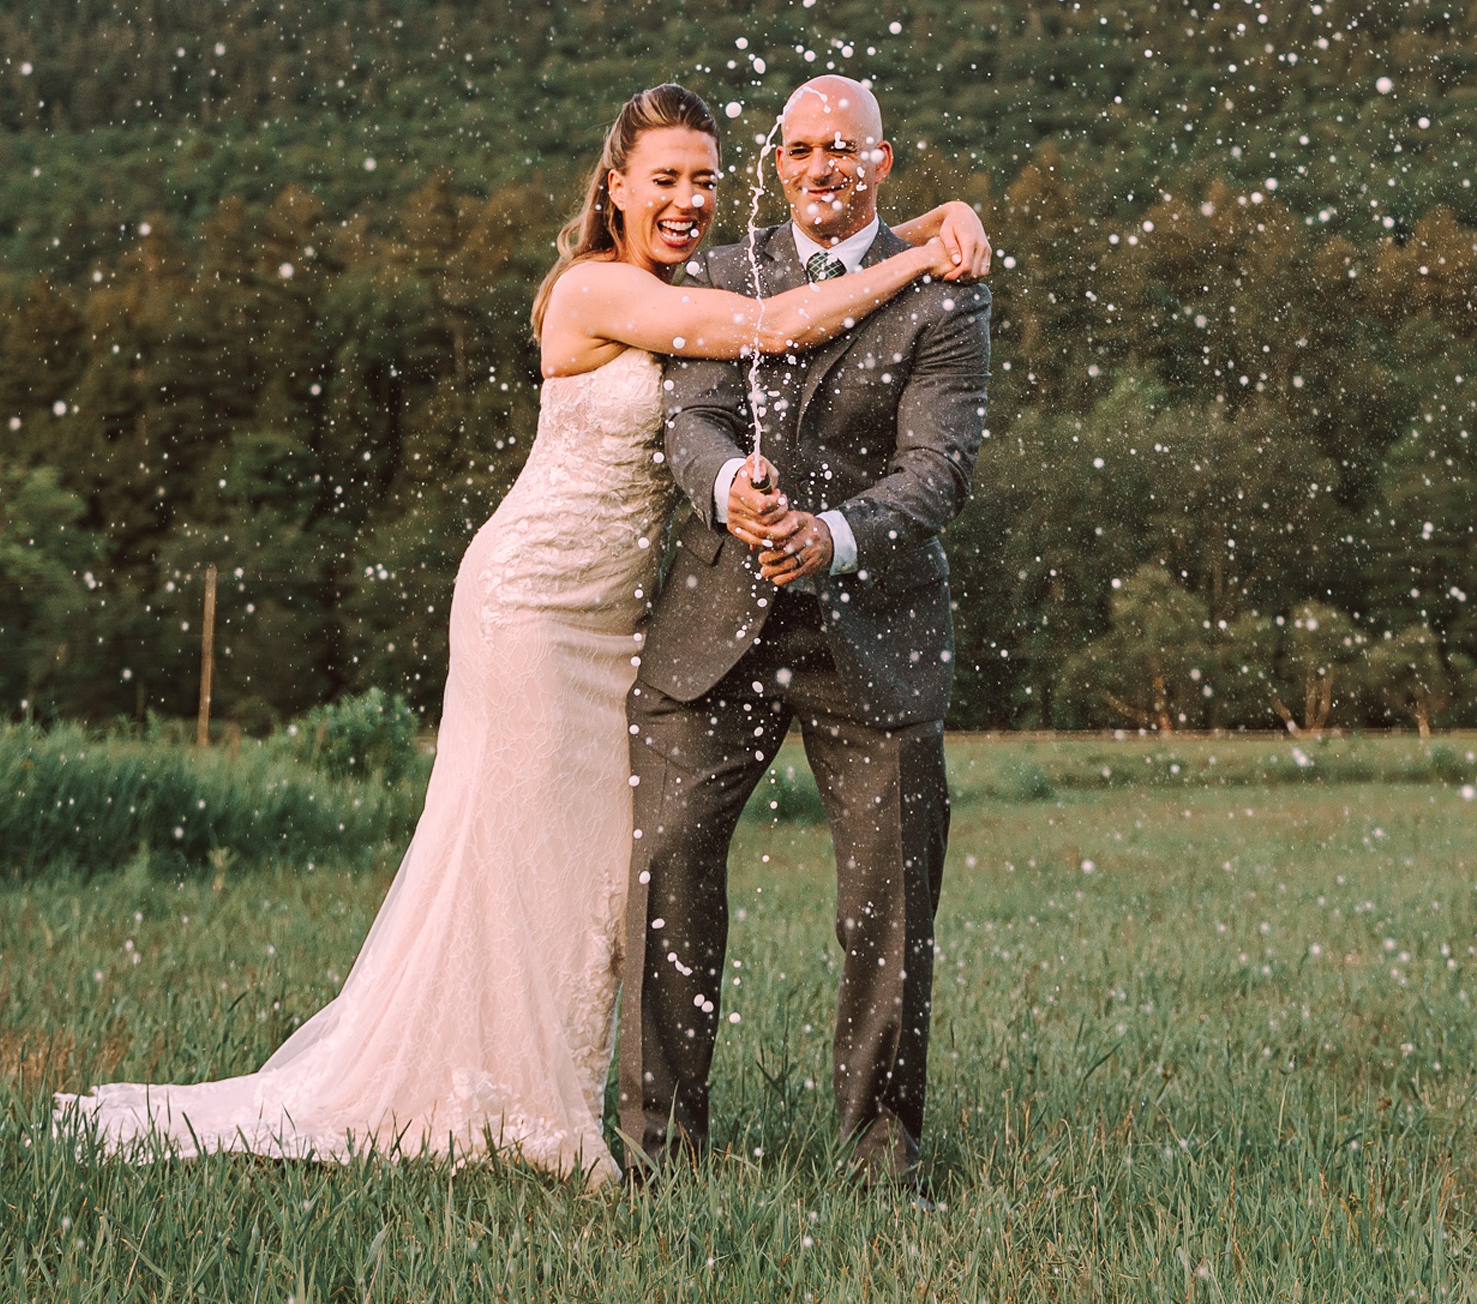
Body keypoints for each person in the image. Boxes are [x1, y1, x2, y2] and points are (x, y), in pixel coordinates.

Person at [57, 83, 987, 1182]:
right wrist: (915, 262)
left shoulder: (773, 283)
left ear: (878, 160)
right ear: (624, 184)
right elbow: (736, 368)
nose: (690, 197)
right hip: (563, 606)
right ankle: (556, 1119)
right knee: (577, 865)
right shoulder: (649, 285)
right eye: (666, 178)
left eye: (703, 176)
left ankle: (632, 1103)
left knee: (602, 869)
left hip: (694, 626)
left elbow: (916, 438)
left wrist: (929, 225)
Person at [621, 74, 992, 1192]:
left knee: (885, 908)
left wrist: (831, 533)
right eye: (801, 149)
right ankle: (654, 1152)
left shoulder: (946, 293)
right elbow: (690, 416)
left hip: (871, 637)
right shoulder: (725, 274)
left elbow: (938, 470)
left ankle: (884, 1157)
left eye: (846, 148)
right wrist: (733, 483)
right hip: (710, 631)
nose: (823, 166)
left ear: (882, 160)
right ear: (776, 164)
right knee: (666, 878)